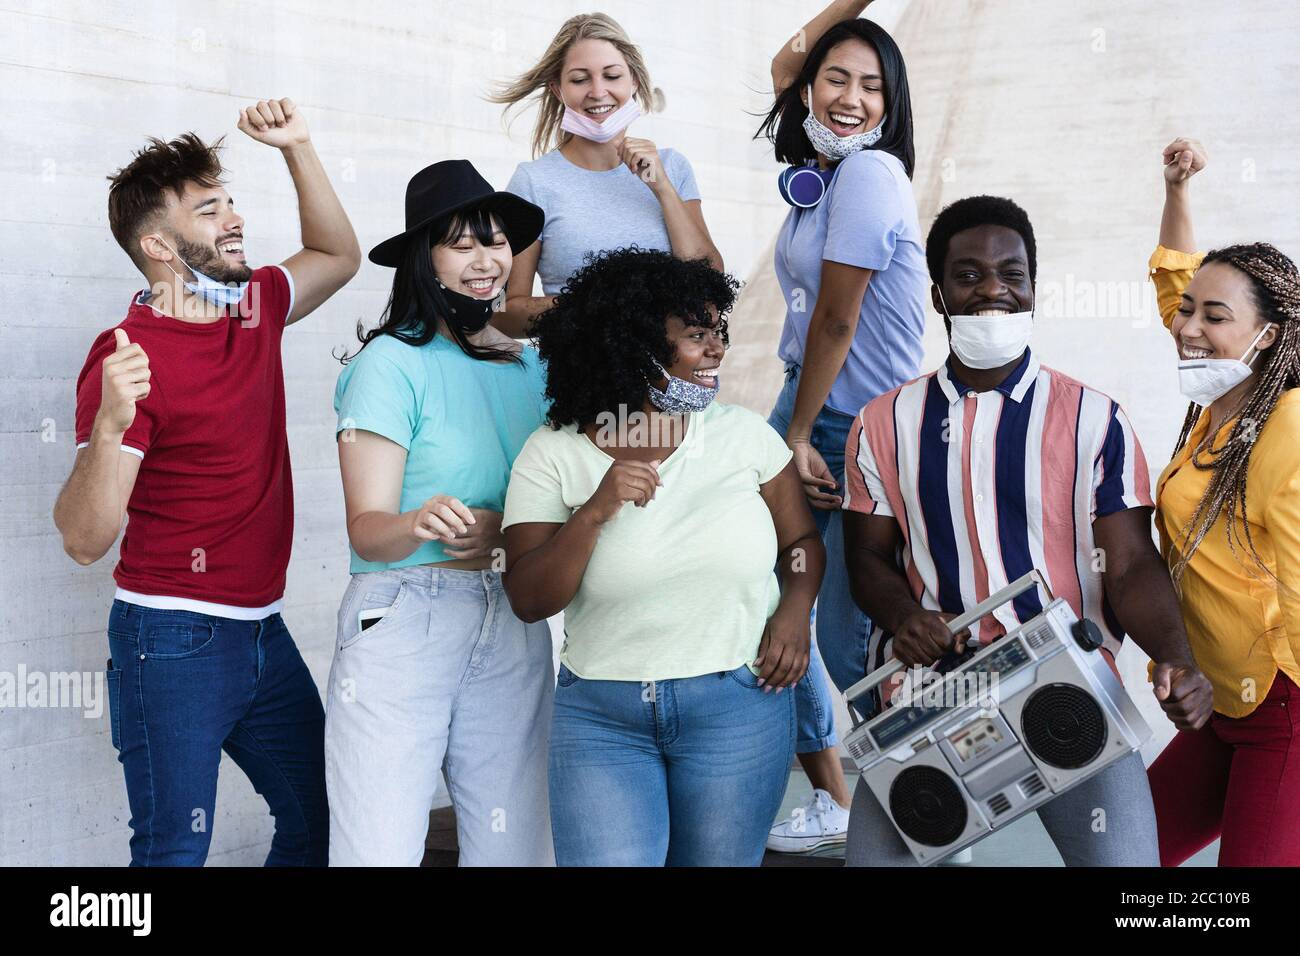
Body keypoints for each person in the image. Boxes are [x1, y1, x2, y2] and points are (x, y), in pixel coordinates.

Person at [840, 194, 1214, 866]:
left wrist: (1176, 659)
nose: (993, 290)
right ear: (937, 295)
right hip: (933, 694)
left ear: (1034, 289)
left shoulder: (1095, 417)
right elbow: (866, 558)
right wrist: (901, 614)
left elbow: (1127, 565)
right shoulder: (883, 423)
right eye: (969, 275)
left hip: (1068, 695)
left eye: (1012, 275)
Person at [54, 99, 360, 865]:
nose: (234, 220)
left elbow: (337, 254)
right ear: (158, 243)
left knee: (320, 820)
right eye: (209, 209)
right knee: (172, 854)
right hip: (172, 636)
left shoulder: (250, 307)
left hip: (264, 629)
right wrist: (110, 425)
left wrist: (298, 147)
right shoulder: (127, 357)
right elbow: (85, 539)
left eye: (229, 201)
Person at [501, 248, 825, 866]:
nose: (718, 351)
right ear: (634, 346)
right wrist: (595, 510)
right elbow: (529, 597)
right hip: (602, 718)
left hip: (737, 703)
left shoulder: (744, 436)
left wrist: (794, 610)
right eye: (698, 337)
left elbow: (802, 546)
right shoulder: (552, 453)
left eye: (719, 334)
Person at [325, 161, 555, 867]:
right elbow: (366, 528)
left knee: (515, 851)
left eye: (496, 242)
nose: (487, 260)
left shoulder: (530, 369)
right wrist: (421, 521)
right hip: (403, 617)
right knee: (380, 849)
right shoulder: (387, 365)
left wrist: (509, 536)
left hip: (512, 616)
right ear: (425, 259)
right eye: (462, 243)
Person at [756, 0, 927, 852]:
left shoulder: (869, 175)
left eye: (871, 86)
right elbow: (784, 63)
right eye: (837, 78)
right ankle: (837, 796)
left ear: (891, 107)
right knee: (766, 597)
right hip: (804, 406)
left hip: (855, 425)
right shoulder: (826, 166)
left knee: (846, 633)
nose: (851, 97)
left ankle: (905, 812)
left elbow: (836, 319)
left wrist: (796, 432)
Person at [1144, 138, 1300, 866]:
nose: (1186, 329)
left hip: (1283, 710)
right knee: (1128, 855)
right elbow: (1176, 283)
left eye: (1213, 317)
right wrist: (1177, 190)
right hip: (1218, 704)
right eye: (1186, 314)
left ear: (1268, 337)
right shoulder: (1220, 401)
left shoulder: (1288, 427)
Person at [489, 11, 722, 337]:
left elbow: (709, 283)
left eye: (612, 76)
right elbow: (502, 313)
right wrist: (599, 303)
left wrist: (662, 189)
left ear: (634, 82)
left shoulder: (673, 167)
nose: (598, 92)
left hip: (668, 380)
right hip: (579, 380)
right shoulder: (533, 182)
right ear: (558, 90)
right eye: (580, 79)